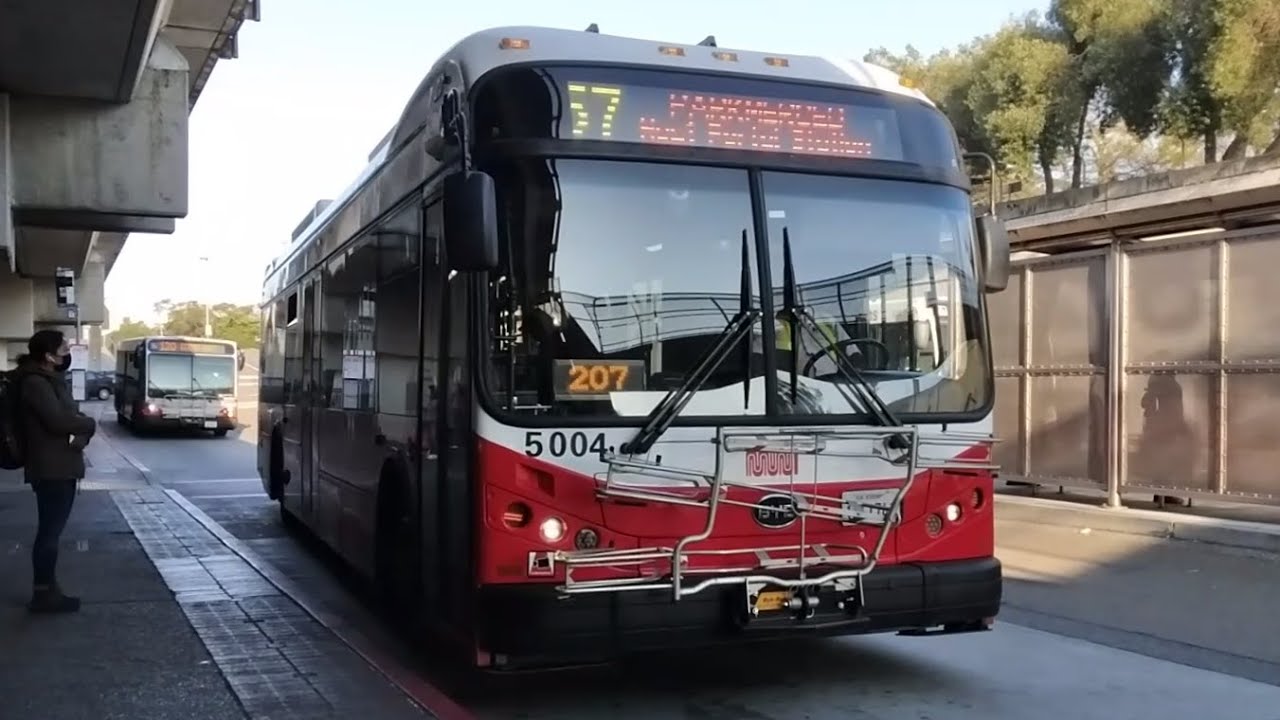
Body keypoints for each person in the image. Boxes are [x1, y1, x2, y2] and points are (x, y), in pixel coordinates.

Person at [11, 329, 96, 613]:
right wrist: (88, 426)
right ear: (48, 356)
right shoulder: (36, 383)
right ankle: (43, 593)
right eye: (63, 350)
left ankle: (48, 589)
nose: (67, 354)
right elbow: (60, 421)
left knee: (51, 530)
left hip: (60, 463)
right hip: (51, 468)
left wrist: (81, 428)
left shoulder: (48, 380)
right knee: (50, 532)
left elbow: (70, 418)